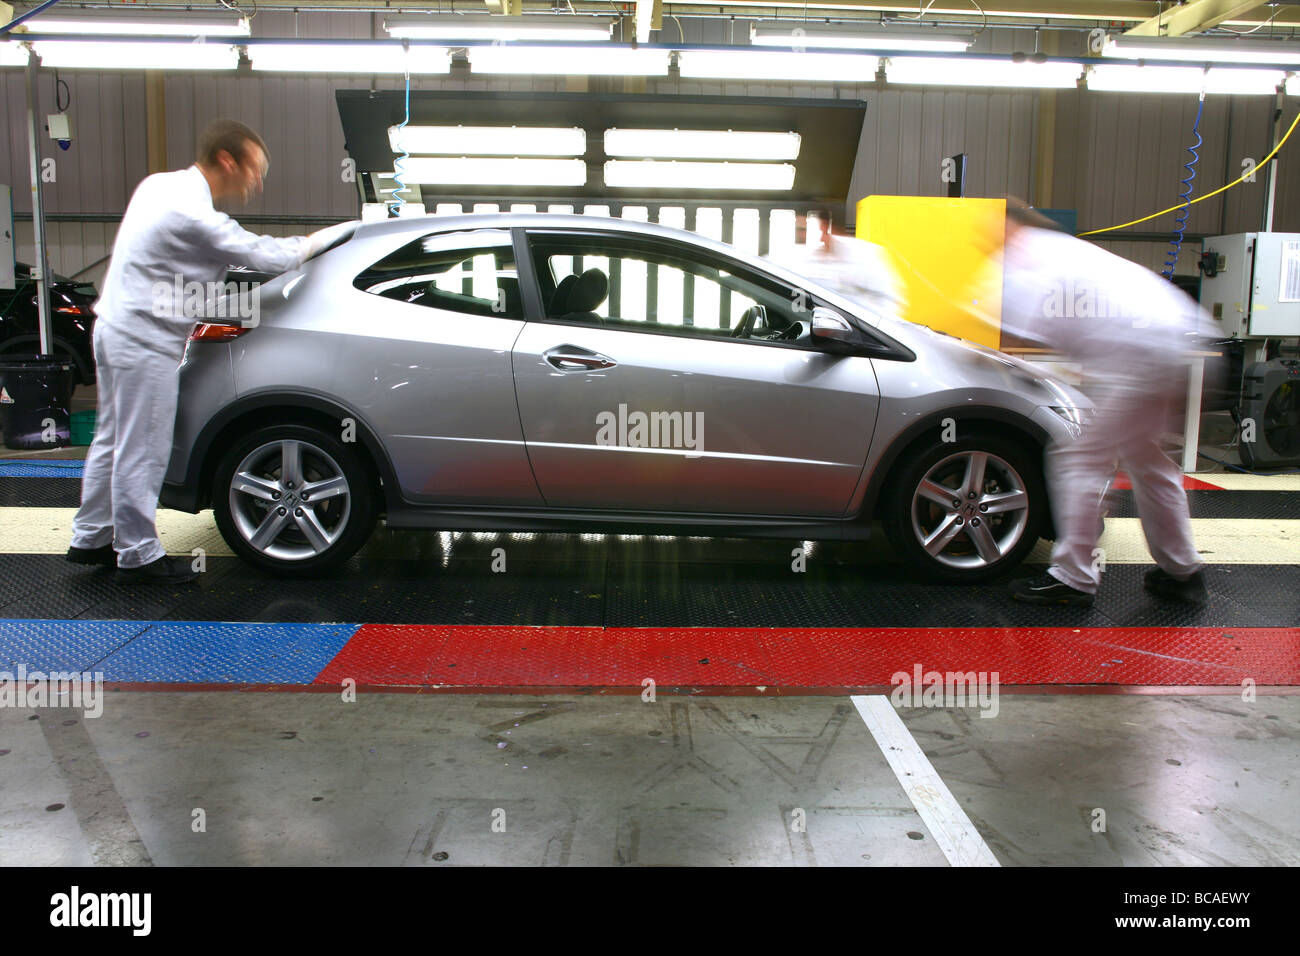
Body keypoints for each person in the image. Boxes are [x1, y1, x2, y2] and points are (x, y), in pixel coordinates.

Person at [66, 120, 332, 584]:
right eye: (255, 170)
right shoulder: (190, 211)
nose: (257, 183)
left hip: (117, 329)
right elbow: (263, 255)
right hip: (143, 339)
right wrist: (319, 240)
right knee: (142, 447)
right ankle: (138, 554)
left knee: (113, 437)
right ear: (228, 161)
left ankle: (90, 536)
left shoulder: (160, 186)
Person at [996, 199, 1215, 607]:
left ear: (1010, 226)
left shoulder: (1027, 255)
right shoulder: (1068, 249)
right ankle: (1182, 571)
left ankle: (1073, 577)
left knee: (1077, 460)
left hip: (1137, 360)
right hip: (1178, 342)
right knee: (1150, 464)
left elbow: (1023, 340)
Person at [771, 213, 905, 320]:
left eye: (823, 231)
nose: (821, 239)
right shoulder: (808, 259)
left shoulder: (865, 257)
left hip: (858, 336)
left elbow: (889, 303)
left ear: (831, 228)